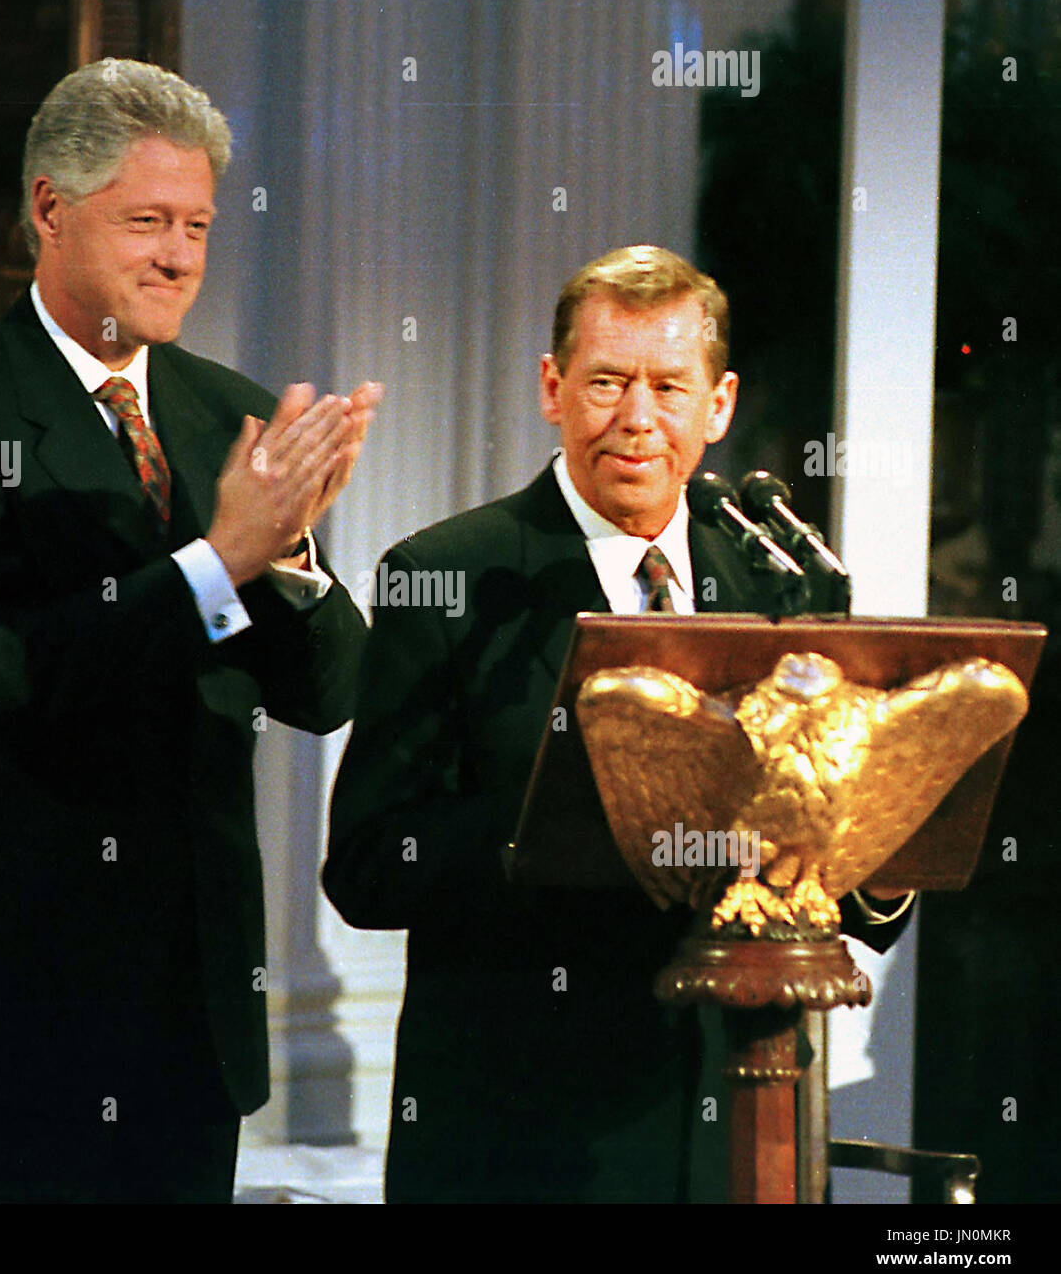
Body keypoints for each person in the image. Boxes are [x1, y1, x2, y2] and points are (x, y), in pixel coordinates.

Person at [0, 58, 381, 1203]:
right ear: (50, 209)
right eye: (147, 221)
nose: (180, 255)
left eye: (195, 223)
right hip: (2, 1007)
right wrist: (216, 560)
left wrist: (289, 557)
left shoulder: (224, 413)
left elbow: (325, 691)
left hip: (186, 1012)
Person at [323, 245, 911, 1203]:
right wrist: (578, 818)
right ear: (553, 390)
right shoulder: (449, 577)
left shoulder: (780, 581)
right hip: (522, 1138)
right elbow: (368, 864)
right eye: (606, 382)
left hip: (737, 1119)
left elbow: (824, 853)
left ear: (718, 407)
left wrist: (878, 860)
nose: (637, 418)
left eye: (670, 387)